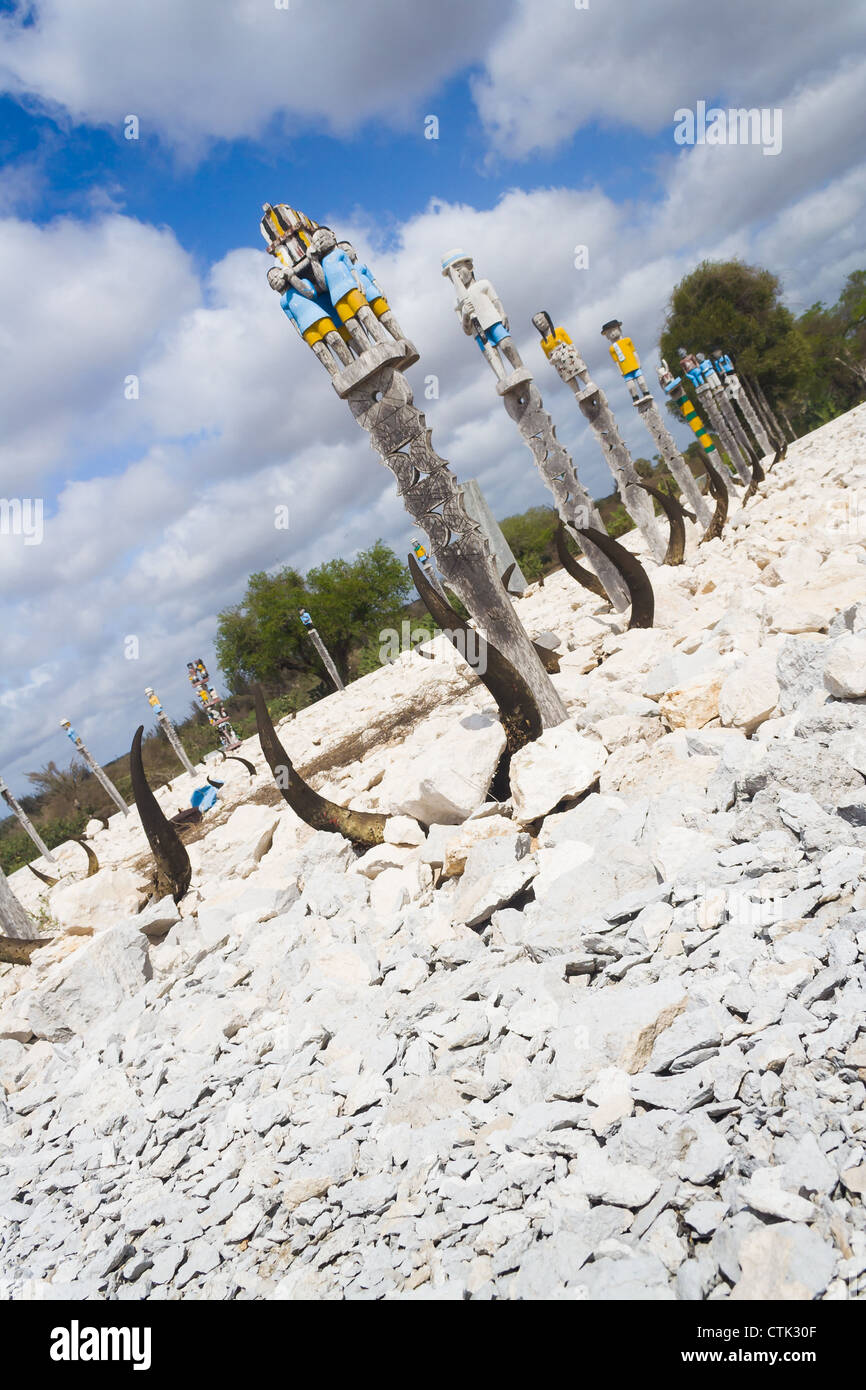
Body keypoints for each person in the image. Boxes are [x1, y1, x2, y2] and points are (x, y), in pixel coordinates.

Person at [441, 249, 523, 381]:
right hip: (479, 333)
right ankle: (503, 379)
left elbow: (496, 301)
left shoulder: (483, 284)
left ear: (469, 266)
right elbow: (466, 330)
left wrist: (502, 313)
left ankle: (519, 368)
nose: (456, 275)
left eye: (458, 269)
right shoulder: (457, 302)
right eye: (451, 274)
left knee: (506, 344)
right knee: (491, 355)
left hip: (494, 322)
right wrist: (465, 315)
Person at [308, 226, 388, 354]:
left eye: (322, 237)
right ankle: (367, 349)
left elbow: (352, 269)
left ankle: (382, 339)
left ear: (332, 235)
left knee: (365, 313)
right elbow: (323, 284)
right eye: (317, 242)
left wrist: (358, 281)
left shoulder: (340, 253)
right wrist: (314, 261)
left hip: (351, 288)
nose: (320, 242)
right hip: (336, 298)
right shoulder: (322, 263)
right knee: (351, 325)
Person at [267, 264, 353, 377]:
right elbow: (292, 319)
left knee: (334, 339)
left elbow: (310, 294)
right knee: (319, 350)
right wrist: (300, 333)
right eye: (271, 280)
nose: (275, 280)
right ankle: (335, 373)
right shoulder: (283, 301)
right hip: (305, 327)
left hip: (319, 316)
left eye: (276, 276)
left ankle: (350, 364)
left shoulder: (302, 282)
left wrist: (292, 277)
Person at [337, 241, 407, 343]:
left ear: (354, 250)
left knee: (386, 316)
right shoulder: (346, 271)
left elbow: (373, 279)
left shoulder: (361, 266)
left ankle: (401, 338)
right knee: (369, 320)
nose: (345, 254)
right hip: (359, 298)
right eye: (342, 252)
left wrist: (380, 289)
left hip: (372, 293)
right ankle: (381, 340)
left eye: (347, 250)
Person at [601, 320, 651, 404]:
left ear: (619, 329)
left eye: (613, 330)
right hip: (625, 370)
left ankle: (646, 393)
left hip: (635, 366)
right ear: (607, 336)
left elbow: (634, 352)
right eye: (609, 333)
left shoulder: (627, 340)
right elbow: (616, 361)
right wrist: (621, 371)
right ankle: (635, 397)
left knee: (642, 382)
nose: (612, 333)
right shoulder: (612, 348)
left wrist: (638, 363)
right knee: (631, 387)